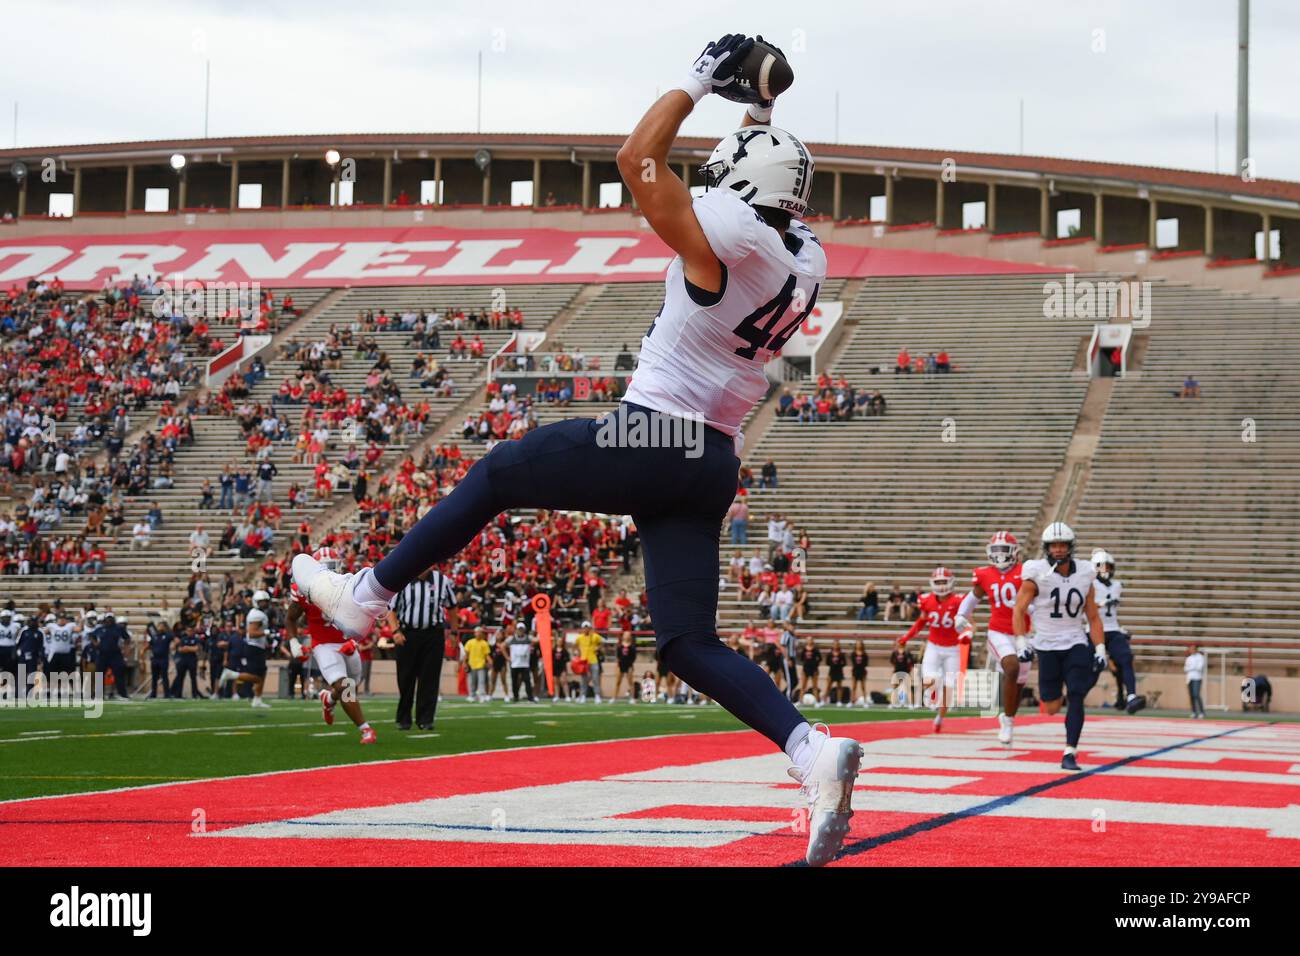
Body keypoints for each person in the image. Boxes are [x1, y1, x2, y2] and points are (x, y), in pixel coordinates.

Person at [290, 33, 862, 867]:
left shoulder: (729, 231)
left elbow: (639, 160)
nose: (709, 179)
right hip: (714, 459)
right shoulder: (803, 256)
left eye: (724, 171)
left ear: (742, 185)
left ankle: (367, 596)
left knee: (501, 470)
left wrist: (697, 82)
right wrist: (761, 109)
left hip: (660, 433)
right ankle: (811, 749)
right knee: (685, 642)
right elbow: (760, 186)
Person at [1013, 522, 1107, 772]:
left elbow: (1093, 616)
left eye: (1062, 544)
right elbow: (1019, 609)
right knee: (1051, 706)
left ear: (1070, 546)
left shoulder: (1085, 572)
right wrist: (1021, 641)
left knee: (1077, 694)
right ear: (1046, 548)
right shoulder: (1036, 572)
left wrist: (1099, 648)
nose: (1057, 549)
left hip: (1075, 640)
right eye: (1053, 545)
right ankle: (1066, 694)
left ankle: (1070, 752)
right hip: (1046, 644)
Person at [289, 548, 376, 743]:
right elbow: (291, 618)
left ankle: (329, 699)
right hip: (324, 645)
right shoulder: (303, 590)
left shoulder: (349, 584)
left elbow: (364, 618)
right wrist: (294, 642)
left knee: (352, 684)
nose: (330, 572)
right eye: (326, 567)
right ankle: (365, 729)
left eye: (333, 566)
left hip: (346, 642)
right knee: (344, 685)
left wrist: (353, 640)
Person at [955, 531, 1029, 745]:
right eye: (995, 550)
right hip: (998, 631)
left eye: (1003, 550)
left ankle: (1009, 718)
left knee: (1019, 682)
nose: (999, 555)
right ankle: (1006, 721)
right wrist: (962, 615)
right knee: (1012, 667)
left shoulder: (1025, 572)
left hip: (1024, 632)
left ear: (1014, 552)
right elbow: (973, 597)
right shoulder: (985, 574)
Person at [384, 564, 458, 730]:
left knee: (430, 678)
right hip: (407, 634)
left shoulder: (442, 581)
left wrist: (454, 632)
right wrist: (395, 631)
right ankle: (404, 719)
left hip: (433, 635)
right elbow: (391, 609)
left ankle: (425, 719)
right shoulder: (403, 580)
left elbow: (452, 607)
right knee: (405, 678)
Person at [896, 567, 966, 733]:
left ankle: (939, 718)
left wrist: (968, 632)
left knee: (949, 688)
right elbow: (921, 621)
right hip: (934, 646)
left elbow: (970, 623)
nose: (941, 586)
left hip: (953, 649)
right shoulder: (926, 600)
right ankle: (932, 696)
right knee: (929, 679)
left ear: (951, 582)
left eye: (944, 582)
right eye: (938, 582)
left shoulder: (958, 600)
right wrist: (906, 637)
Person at [1091, 549, 1144, 714]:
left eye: (1108, 566)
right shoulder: (1089, 585)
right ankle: (1076, 694)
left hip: (1113, 629)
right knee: (1087, 665)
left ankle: (1131, 696)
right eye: (1101, 566)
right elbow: (1086, 607)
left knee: (1126, 658)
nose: (1105, 570)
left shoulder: (1117, 586)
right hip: (1093, 628)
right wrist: (1103, 603)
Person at [218, 590, 274, 708]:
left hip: (258, 647)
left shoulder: (257, 613)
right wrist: (267, 632)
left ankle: (257, 699)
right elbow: (252, 633)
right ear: (256, 602)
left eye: (266, 601)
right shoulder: (257, 614)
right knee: (257, 678)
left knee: (262, 673)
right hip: (254, 648)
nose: (265, 604)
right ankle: (231, 674)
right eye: (262, 602)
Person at [463, 628, 492, 702]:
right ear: (474, 633)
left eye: (480, 632)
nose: (478, 634)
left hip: (481, 665)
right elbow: (466, 654)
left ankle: (482, 695)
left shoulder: (484, 643)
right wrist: (464, 663)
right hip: (471, 664)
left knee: (481, 681)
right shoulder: (470, 642)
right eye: (477, 632)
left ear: (482, 634)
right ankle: (472, 695)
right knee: (472, 682)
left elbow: (487, 655)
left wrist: (490, 661)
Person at [507, 624, 535, 702]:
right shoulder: (511, 639)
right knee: (514, 681)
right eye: (519, 629)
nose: (520, 631)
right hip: (515, 664)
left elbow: (536, 640)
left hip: (525, 664)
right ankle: (515, 696)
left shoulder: (528, 638)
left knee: (527, 681)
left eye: (522, 629)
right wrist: (508, 657)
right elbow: (502, 646)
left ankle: (530, 697)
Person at [613, 630, 638, 702]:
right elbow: (618, 656)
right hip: (621, 665)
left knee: (630, 682)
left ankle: (632, 698)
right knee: (618, 682)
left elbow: (634, 657)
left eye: (628, 635)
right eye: (625, 634)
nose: (626, 636)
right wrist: (617, 666)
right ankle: (614, 697)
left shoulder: (632, 646)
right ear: (623, 636)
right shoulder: (620, 645)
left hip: (629, 665)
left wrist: (631, 665)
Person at [1185, 644, 1207, 719]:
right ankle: (1194, 712)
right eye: (1190, 649)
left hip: (1197, 678)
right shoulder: (1188, 658)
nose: (1191, 650)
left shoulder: (1200, 657)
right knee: (1191, 696)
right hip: (1189, 679)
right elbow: (1185, 669)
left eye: (1193, 649)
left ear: (1196, 649)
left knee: (1196, 695)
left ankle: (1201, 712)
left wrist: (1190, 667)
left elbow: (1199, 668)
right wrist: (1192, 667)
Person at [850, 640, 869, 707]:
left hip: (862, 671)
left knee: (863, 687)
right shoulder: (853, 654)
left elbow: (866, 663)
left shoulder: (864, 654)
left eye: (860, 644)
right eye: (857, 644)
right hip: (855, 671)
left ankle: (865, 702)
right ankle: (852, 701)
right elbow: (853, 662)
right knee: (854, 687)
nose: (859, 645)